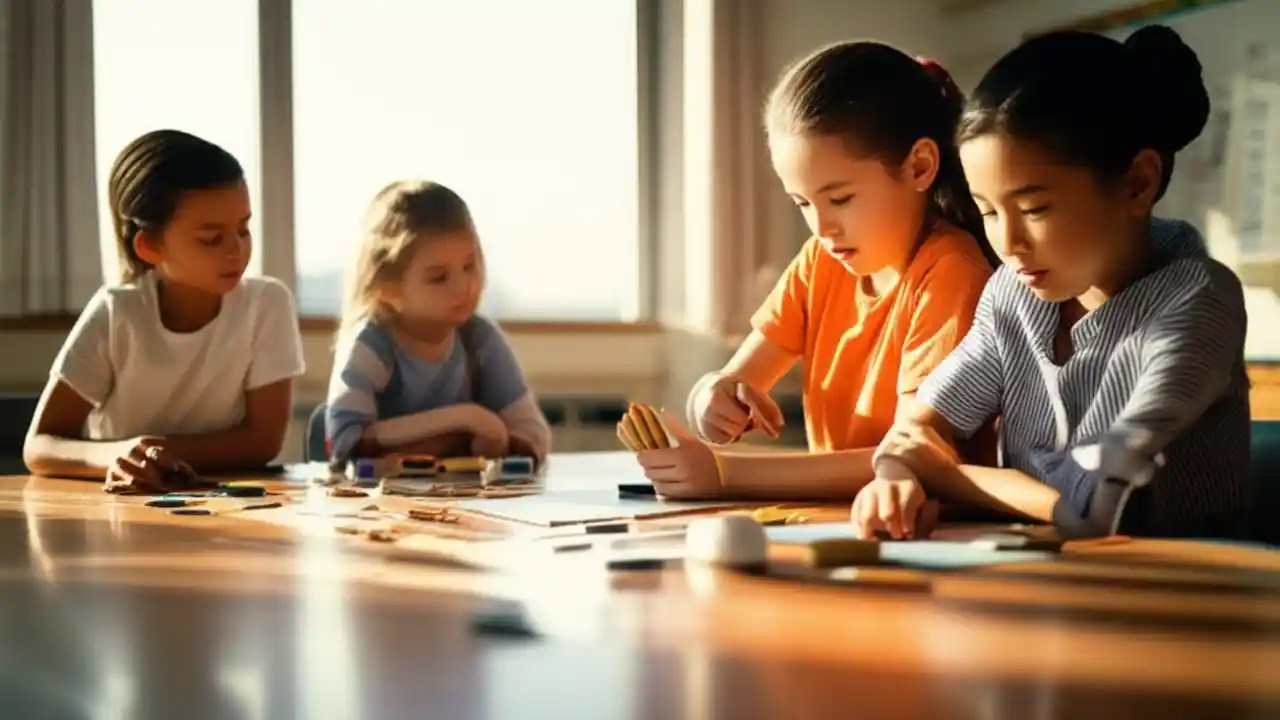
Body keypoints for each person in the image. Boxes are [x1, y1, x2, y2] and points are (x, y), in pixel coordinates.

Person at [858, 26, 1249, 539]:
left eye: (1035, 209)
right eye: (988, 211)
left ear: (1138, 183)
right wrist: (896, 476)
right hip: (1042, 574)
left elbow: (1098, 510)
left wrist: (946, 475)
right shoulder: (1013, 294)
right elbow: (920, 426)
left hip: (1174, 591)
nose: (1009, 242)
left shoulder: (1198, 302)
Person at [24, 129, 305, 492]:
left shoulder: (267, 303)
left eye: (244, 229)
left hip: (221, 507)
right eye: (211, 239)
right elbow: (41, 445)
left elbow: (262, 441)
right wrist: (117, 457)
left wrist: (155, 454)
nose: (237, 251)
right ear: (150, 245)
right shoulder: (116, 313)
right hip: (122, 513)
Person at [325, 180, 550, 464]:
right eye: (438, 277)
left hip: (466, 505)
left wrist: (485, 435)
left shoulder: (479, 340)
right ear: (387, 289)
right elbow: (346, 441)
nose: (464, 286)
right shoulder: (373, 343)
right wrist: (466, 422)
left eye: (470, 265)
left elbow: (534, 435)